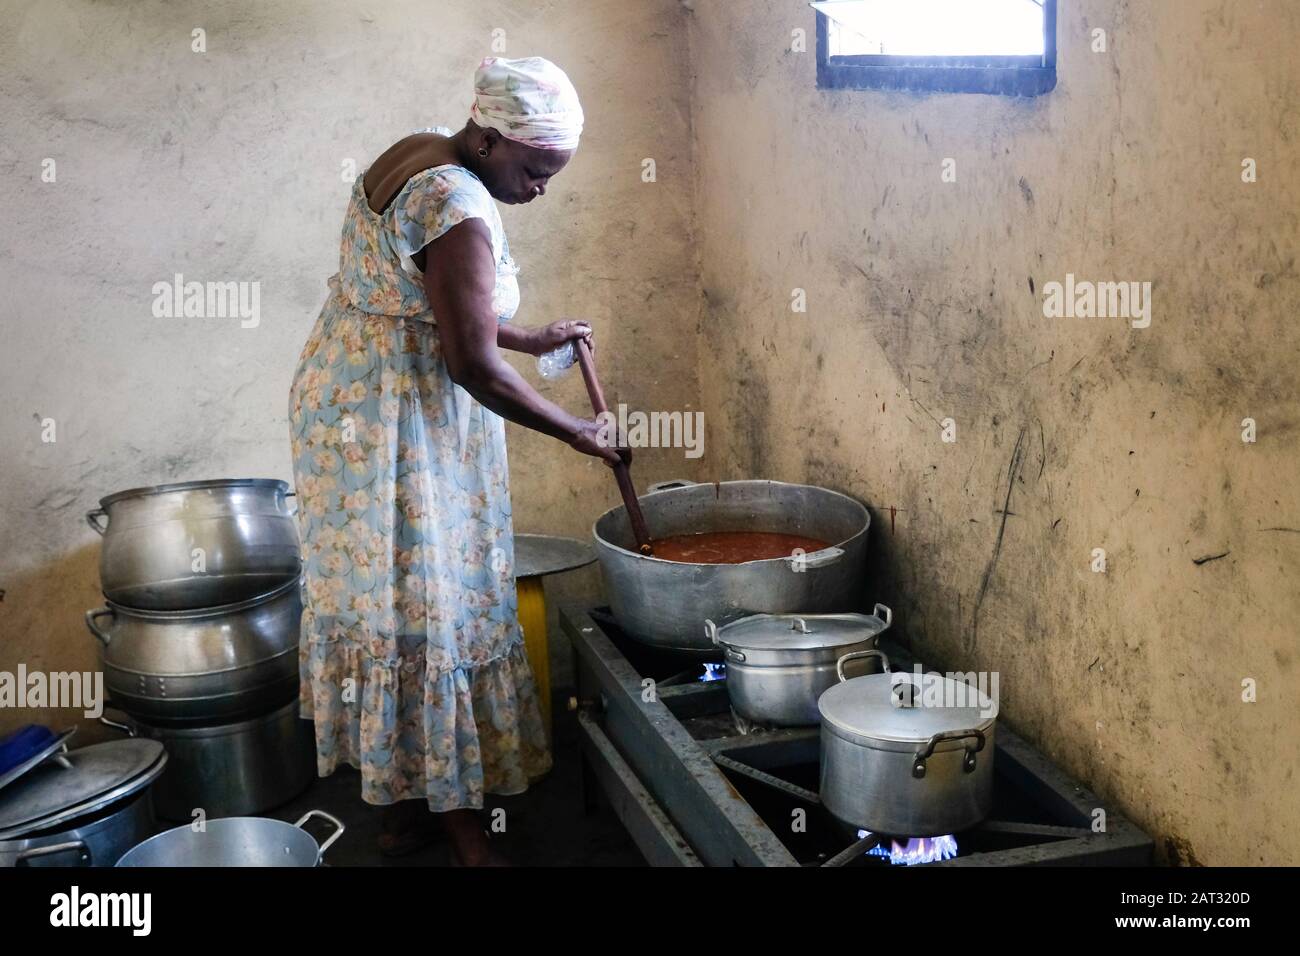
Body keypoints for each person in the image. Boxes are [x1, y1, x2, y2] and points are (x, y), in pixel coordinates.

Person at [287, 56, 620, 865]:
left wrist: (530, 335)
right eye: (536, 170)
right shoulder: (457, 204)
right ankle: (466, 826)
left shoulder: (420, 151)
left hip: (345, 401)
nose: (540, 189)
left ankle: (408, 805)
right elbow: (469, 362)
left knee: (386, 604)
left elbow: (428, 295)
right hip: (403, 423)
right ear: (490, 135)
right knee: (434, 606)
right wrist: (577, 431)